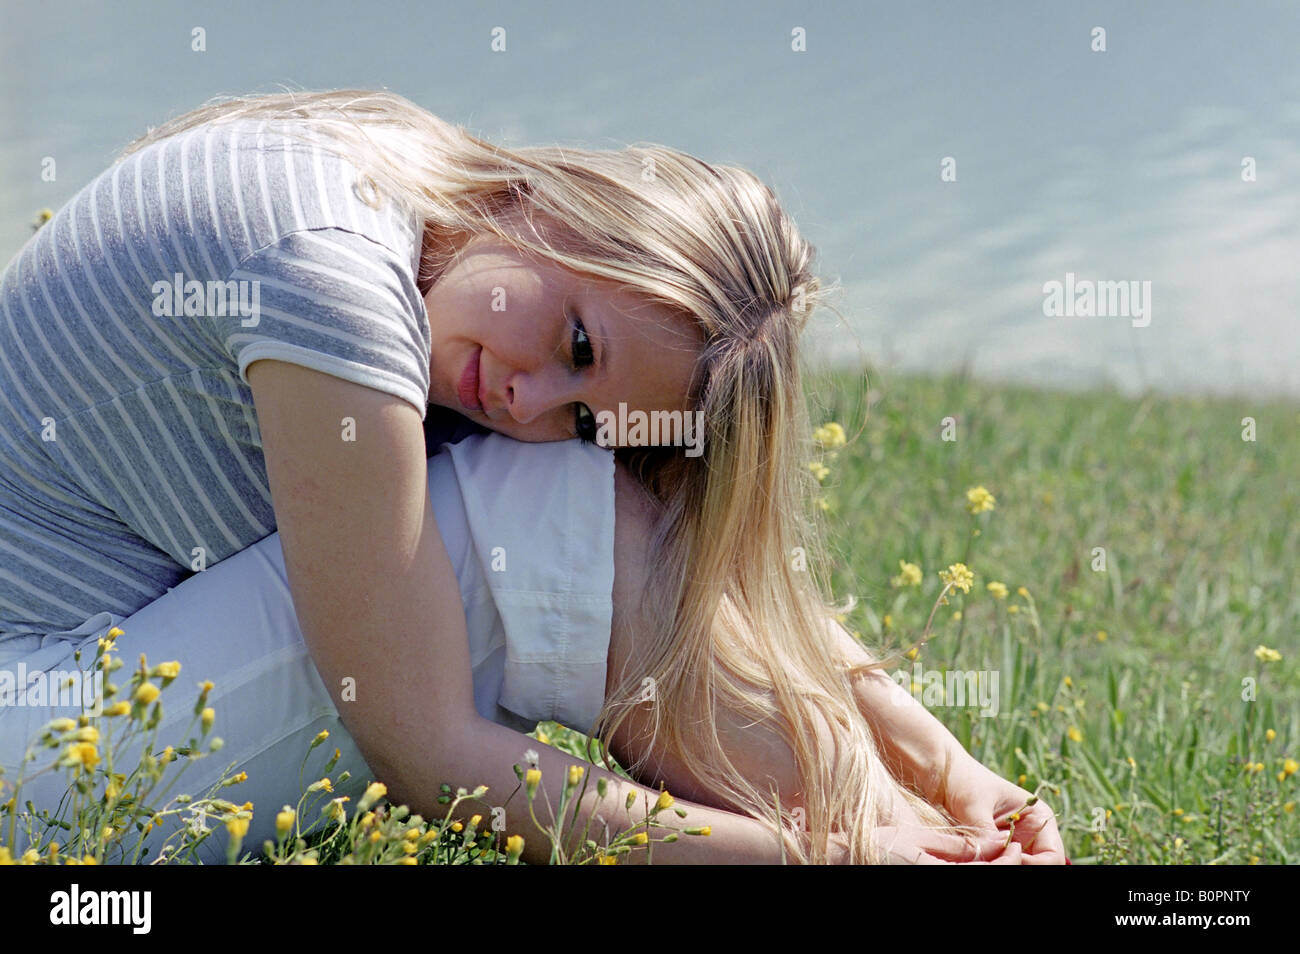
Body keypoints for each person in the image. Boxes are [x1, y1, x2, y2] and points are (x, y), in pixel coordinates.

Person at [0, 89, 1063, 864]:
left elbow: (681, 540)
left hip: (78, 687)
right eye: (577, 346)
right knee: (563, 516)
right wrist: (808, 858)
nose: (528, 402)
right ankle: (896, 845)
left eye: (585, 413)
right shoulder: (330, 280)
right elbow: (426, 750)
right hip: (27, 741)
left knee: (575, 501)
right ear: (559, 208)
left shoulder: (406, 183)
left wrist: (947, 763)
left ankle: (924, 828)